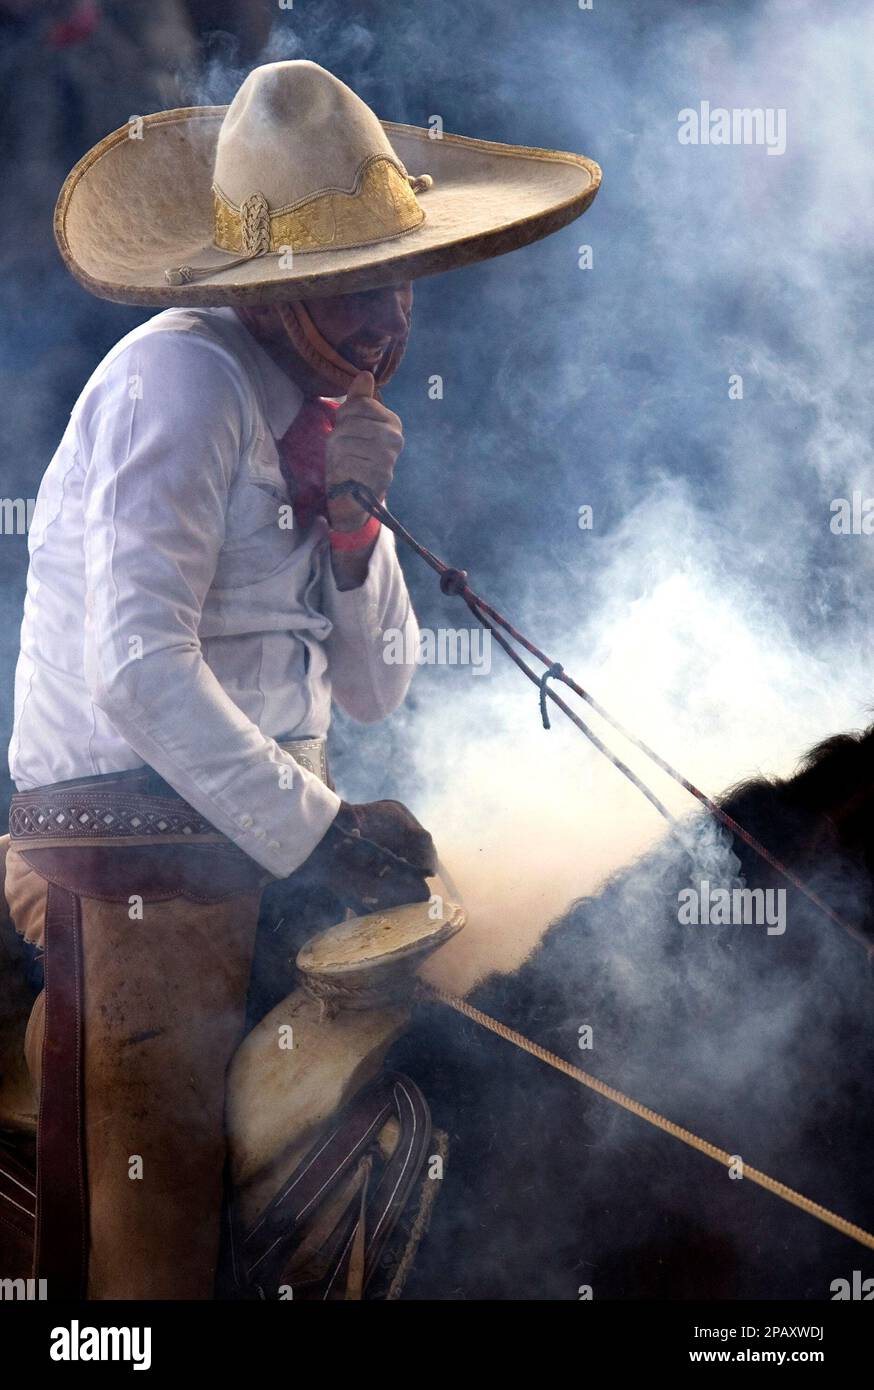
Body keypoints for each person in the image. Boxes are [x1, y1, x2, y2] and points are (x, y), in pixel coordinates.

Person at [4, 59, 601, 1299]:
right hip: (126, 865)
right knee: (156, 1211)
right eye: (352, 289)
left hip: (265, 830)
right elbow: (135, 669)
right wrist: (320, 830)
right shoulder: (181, 380)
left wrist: (353, 523)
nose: (385, 320)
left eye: (396, 284)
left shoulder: (326, 399)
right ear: (278, 288)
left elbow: (378, 691)